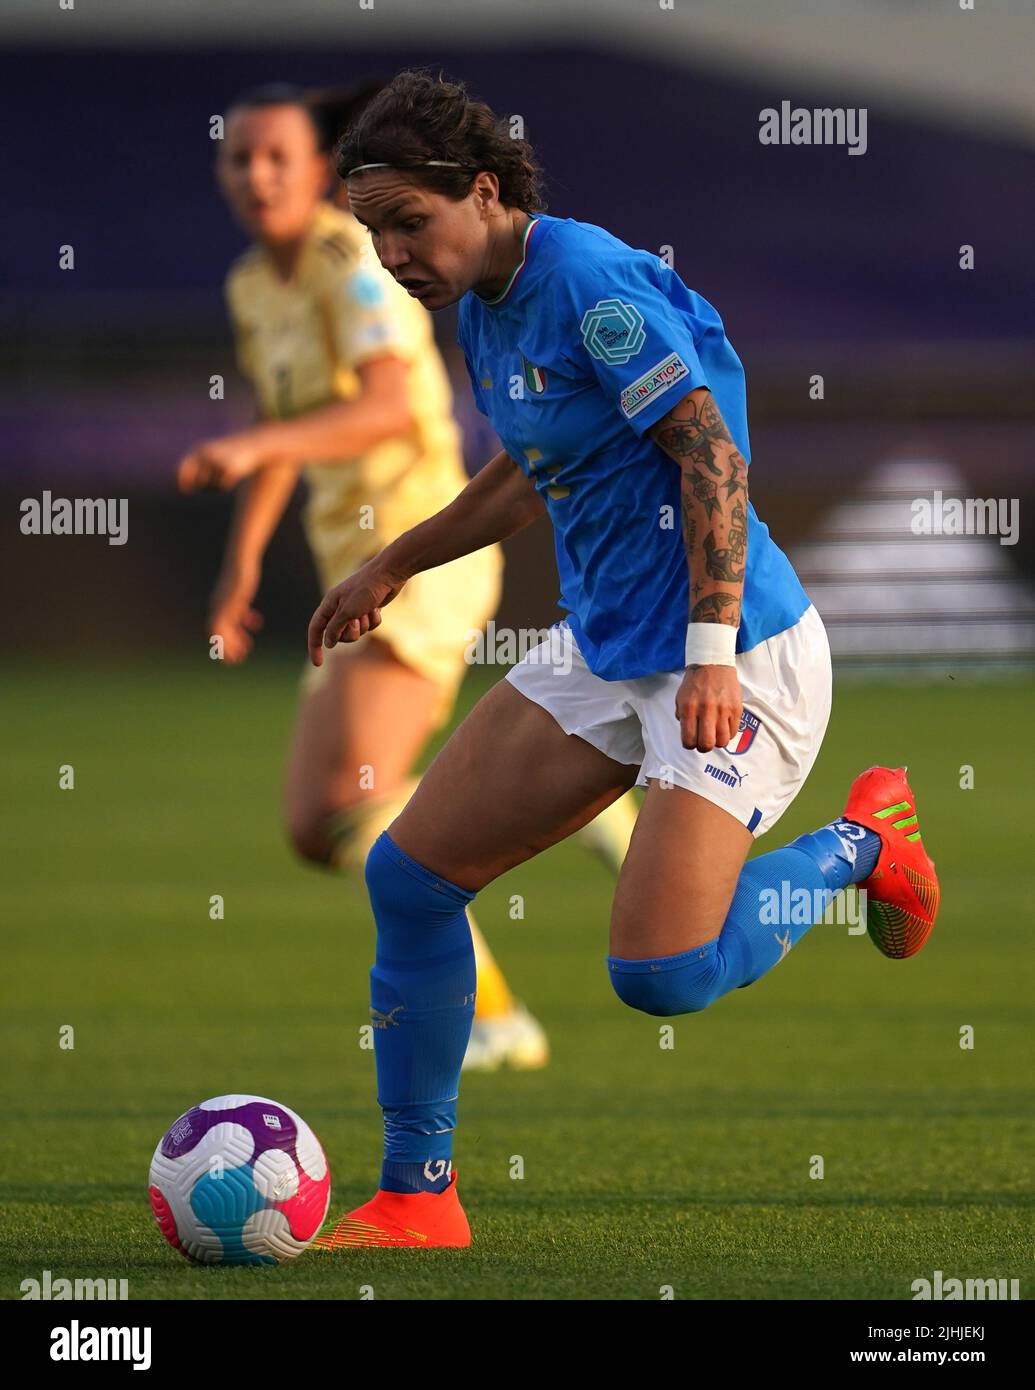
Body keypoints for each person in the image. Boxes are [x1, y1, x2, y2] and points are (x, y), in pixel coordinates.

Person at [306, 70, 941, 1249]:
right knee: (410, 877)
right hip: (607, 647)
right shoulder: (487, 300)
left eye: (409, 222)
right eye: (372, 231)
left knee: (665, 976)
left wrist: (706, 654)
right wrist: (396, 560)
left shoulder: (590, 283)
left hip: (736, 652)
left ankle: (865, 846)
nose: (393, 253)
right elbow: (530, 462)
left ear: (481, 190)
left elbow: (709, 456)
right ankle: (417, 1197)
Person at [177, 83, 636, 1070]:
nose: (256, 175)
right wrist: (244, 559)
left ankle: (496, 1016)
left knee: (357, 792)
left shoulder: (359, 264)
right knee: (318, 822)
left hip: (422, 551)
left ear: (318, 173)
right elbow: (287, 426)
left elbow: (386, 407)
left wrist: (259, 443)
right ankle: (583, 800)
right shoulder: (257, 287)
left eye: (278, 157)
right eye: (237, 156)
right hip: (355, 565)